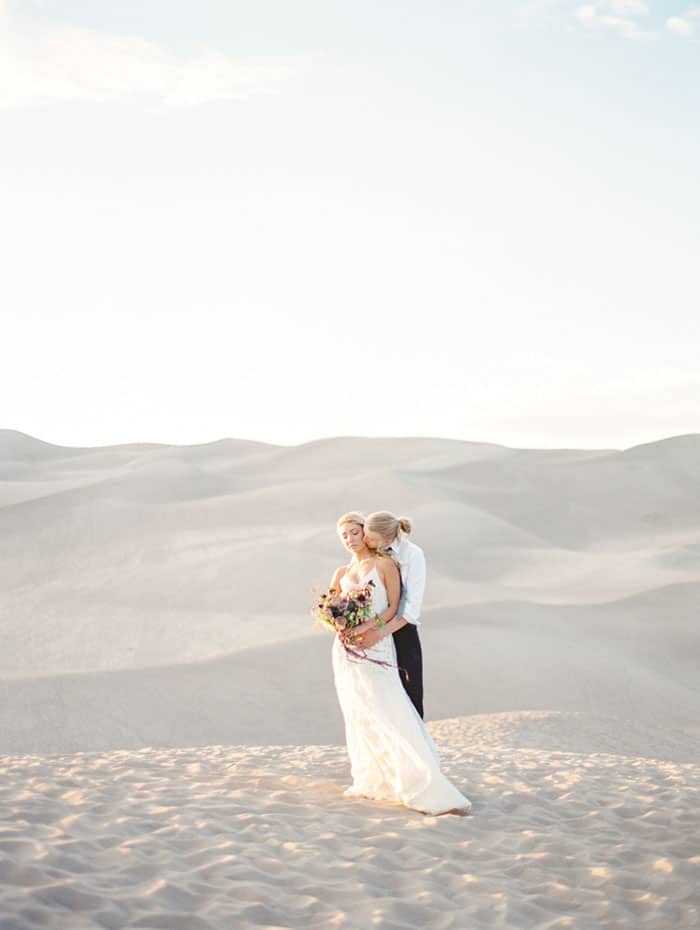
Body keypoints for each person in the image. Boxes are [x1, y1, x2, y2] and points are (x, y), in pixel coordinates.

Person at [330, 512, 471, 816]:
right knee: (361, 710)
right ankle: (378, 777)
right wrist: (340, 625)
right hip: (348, 650)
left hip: (391, 637)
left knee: (400, 705)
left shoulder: (398, 560)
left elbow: (402, 608)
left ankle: (423, 778)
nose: (355, 539)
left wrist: (370, 631)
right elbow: (331, 606)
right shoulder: (343, 570)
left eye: (358, 532)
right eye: (347, 535)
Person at [358, 512, 425, 718]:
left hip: (401, 631)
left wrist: (379, 633)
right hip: (373, 631)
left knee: (410, 694)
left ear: (387, 540)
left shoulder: (412, 555)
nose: (364, 540)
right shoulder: (369, 553)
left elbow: (411, 609)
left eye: (370, 538)